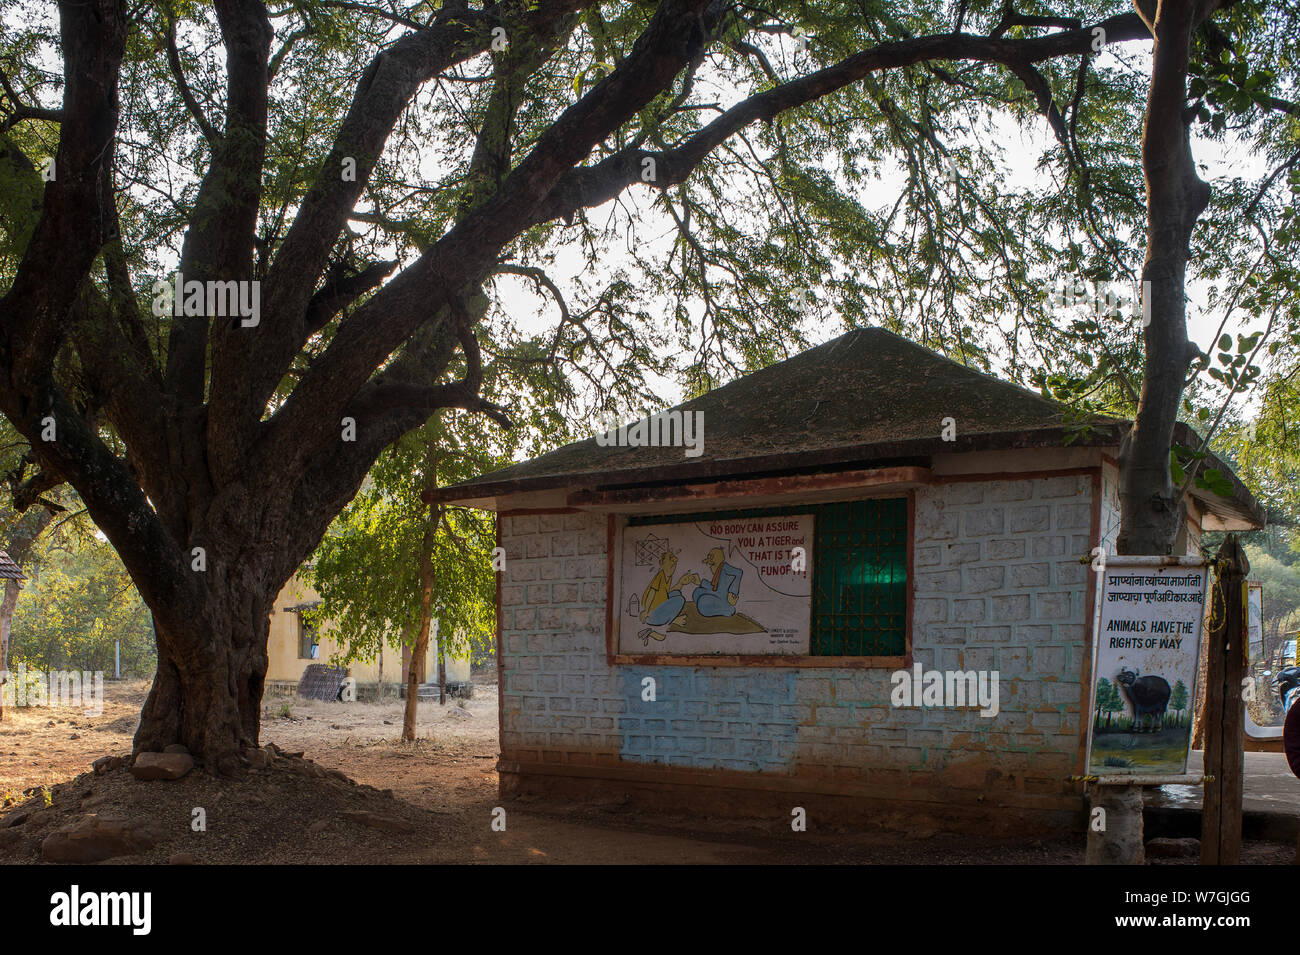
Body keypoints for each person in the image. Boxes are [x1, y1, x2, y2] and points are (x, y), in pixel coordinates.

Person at [638, 550, 697, 644]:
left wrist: (681, 582)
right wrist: (646, 611)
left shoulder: (668, 577)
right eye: (670, 560)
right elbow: (651, 593)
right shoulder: (660, 576)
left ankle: (652, 631)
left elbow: (667, 592)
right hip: (653, 615)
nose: (673, 565)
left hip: (657, 610)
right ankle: (672, 621)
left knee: (676, 593)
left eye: (674, 563)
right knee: (680, 599)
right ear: (662, 563)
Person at [693, 547, 741, 617]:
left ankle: (728, 610)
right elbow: (715, 589)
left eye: (711, 557)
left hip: (723, 598)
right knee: (697, 592)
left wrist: (733, 592)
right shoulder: (718, 571)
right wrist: (700, 582)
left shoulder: (725, 567)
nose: (709, 561)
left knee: (702, 602)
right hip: (718, 594)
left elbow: (739, 572)